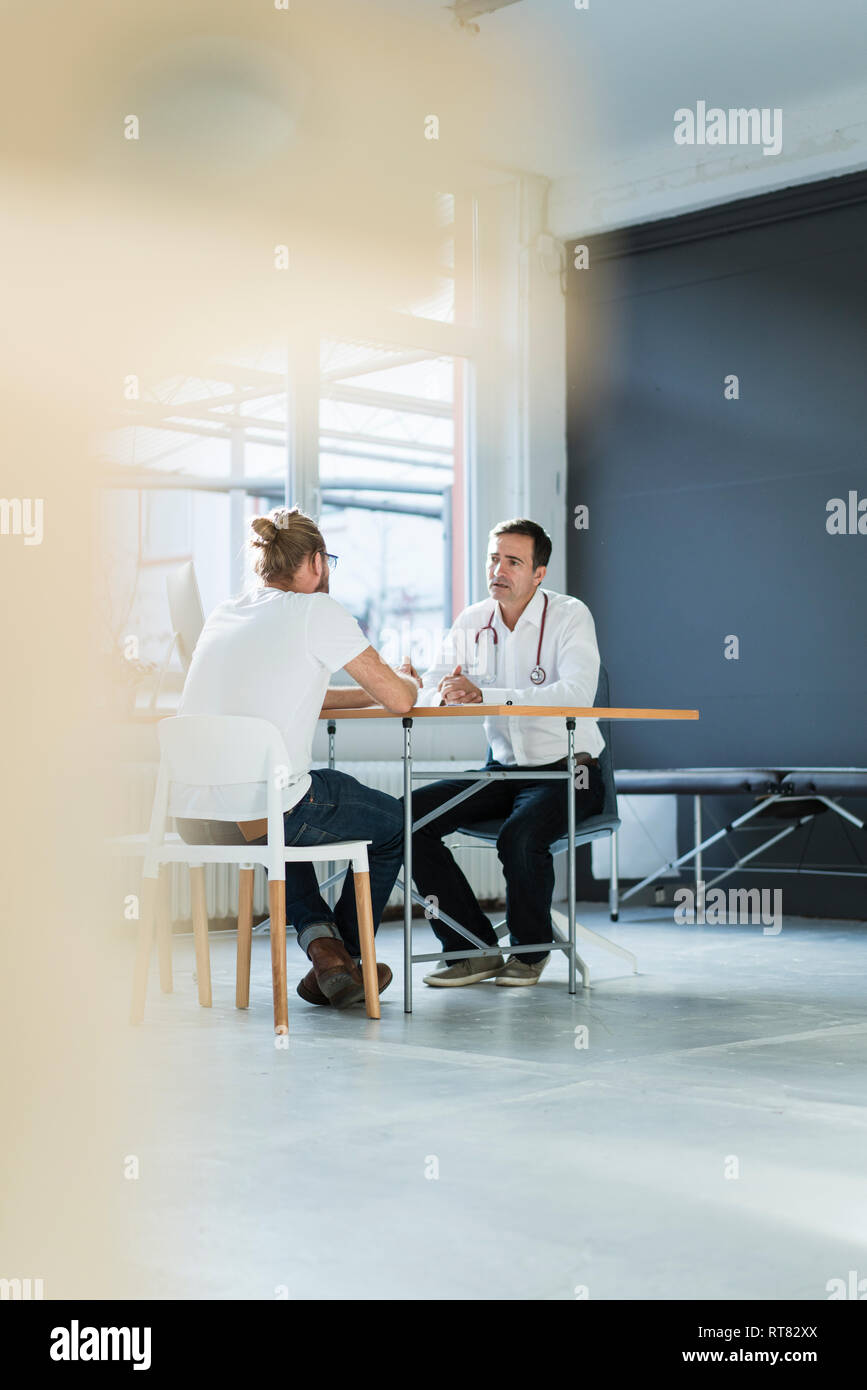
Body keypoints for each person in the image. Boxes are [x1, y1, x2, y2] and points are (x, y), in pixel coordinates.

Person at [171, 506, 420, 1010]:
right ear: (314, 562)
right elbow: (401, 699)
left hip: (196, 817)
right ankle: (348, 955)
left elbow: (298, 695)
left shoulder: (226, 612)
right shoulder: (317, 612)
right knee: (392, 822)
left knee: (270, 811)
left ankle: (325, 952)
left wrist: (364, 695)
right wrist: (410, 680)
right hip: (266, 808)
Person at [408, 517, 605, 988]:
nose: (499, 569)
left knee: (519, 836)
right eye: (494, 558)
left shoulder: (570, 614)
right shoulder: (473, 620)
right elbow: (434, 688)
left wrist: (489, 695)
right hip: (503, 771)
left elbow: (578, 692)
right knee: (407, 820)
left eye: (513, 561)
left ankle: (532, 951)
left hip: (571, 772)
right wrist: (432, 689)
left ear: (539, 573)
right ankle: (472, 948)